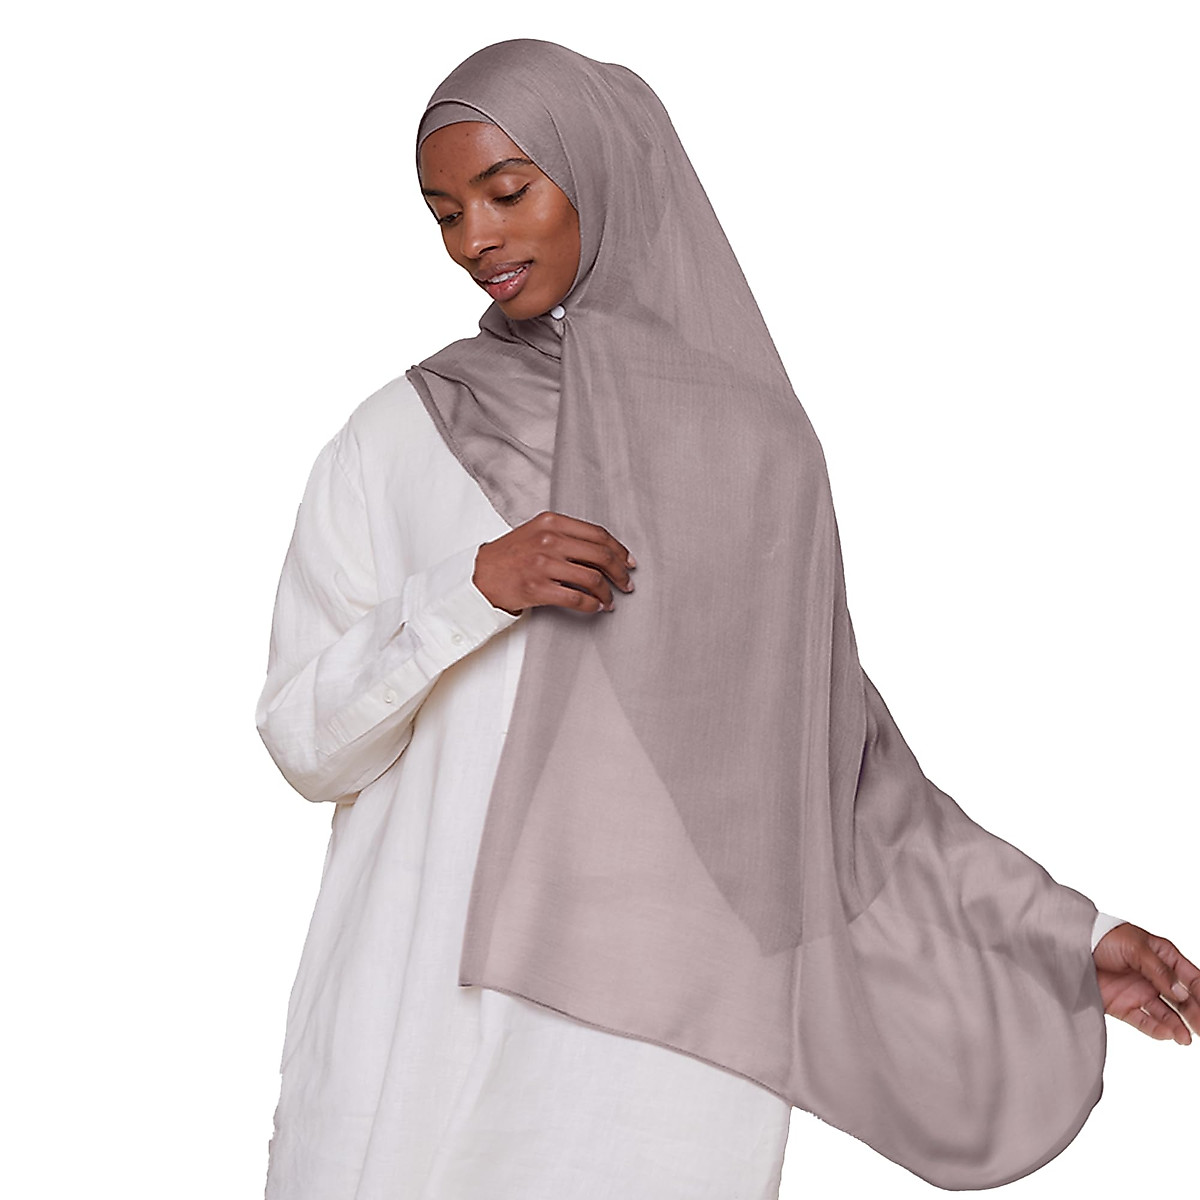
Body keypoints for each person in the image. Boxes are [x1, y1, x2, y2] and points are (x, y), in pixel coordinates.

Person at [255, 39, 1198, 1199]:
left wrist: (1063, 934)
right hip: (408, 1049)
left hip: (652, 1082)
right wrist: (471, 590)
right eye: (445, 213)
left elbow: (848, 780)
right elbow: (305, 743)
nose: (475, 240)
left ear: (601, 171)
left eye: (507, 192)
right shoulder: (396, 437)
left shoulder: (751, 449)